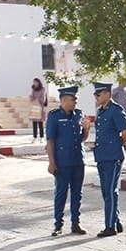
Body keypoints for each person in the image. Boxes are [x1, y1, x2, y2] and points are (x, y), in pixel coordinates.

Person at [47, 86, 90, 236]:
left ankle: (75, 224)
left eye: (76, 99)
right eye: (73, 99)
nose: (75, 102)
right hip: (62, 162)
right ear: (63, 100)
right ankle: (58, 225)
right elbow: (50, 141)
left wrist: (86, 130)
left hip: (78, 160)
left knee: (77, 194)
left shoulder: (79, 114)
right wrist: (51, 162)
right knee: (61, 193)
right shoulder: (54, 116)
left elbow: (82, 138)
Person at [92, 82, 126, 237]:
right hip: (101, 156)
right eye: (95, 95)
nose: (96, 97)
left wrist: (117, 145)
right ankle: (116, 221)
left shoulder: (116, 110)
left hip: (113, 156)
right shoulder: (101, 111)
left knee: (110, 191)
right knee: (105, 192)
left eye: (98, 94)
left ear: (107, 94)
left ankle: (110, 227)